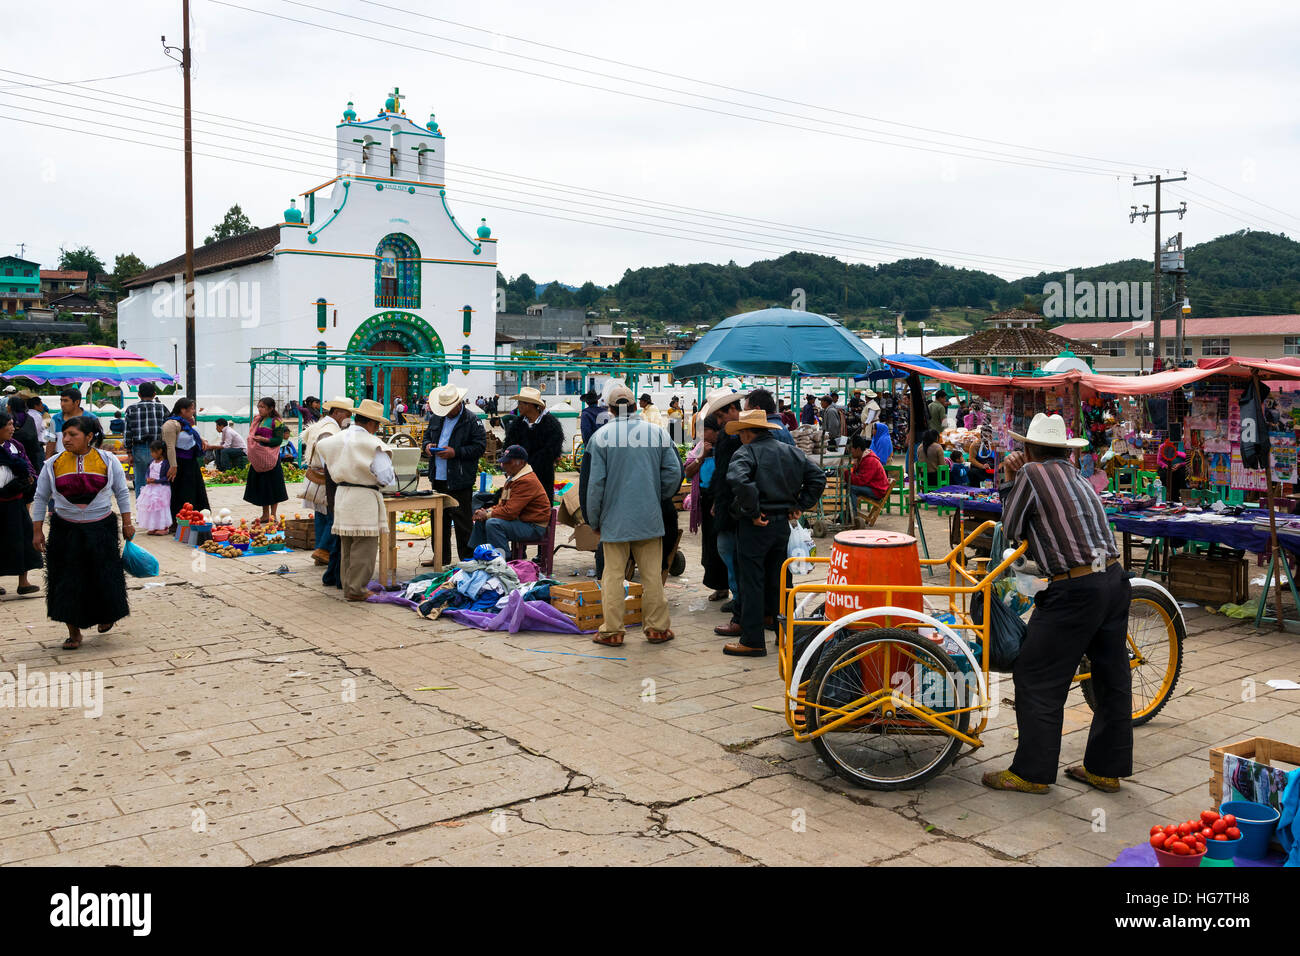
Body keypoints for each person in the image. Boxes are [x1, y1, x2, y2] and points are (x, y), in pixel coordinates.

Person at [982, 413, 1129, 795]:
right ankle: (1104, 770)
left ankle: (1031, 773)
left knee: (1035, 674)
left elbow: (1010, 527)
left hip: (1077, 589)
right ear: (1064, 450)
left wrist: (1010, 480)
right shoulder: (1076, 475)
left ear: (1029, 448)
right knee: (1111, 676)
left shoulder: (1032, 474)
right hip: (1112, 580)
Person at [585, 384, 683, 647]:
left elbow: (595, 486)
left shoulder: (601, 437)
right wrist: (656, 494)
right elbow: (675, 473)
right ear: (636, 406)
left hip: (614, 521)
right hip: (649, 517)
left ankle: (612, 631)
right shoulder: (658, 434)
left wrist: (594, 520)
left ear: (610, 409)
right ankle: (657, 629)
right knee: (652, 575)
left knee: (613, 576)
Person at [722, 409, 825, 656]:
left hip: (756, 525)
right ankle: (785, 637)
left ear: (746, 432)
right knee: (781, 582)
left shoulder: (746, 452)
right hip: (781, 526)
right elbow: (818, 478)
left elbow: (738, 480)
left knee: (752, 583)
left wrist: (753, 510)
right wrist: (799, 505)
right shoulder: (790, 451)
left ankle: (752, 640)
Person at [32, 415, 134, 650]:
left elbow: (121, 492)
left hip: (101, 527)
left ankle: (107, 614)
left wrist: (127, 523)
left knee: (105, 575)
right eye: (64, 435)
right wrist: (37, 531)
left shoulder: (107, 461)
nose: (66, 439)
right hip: (64, 529)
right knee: (65, 580)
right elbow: (40, 498)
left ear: (89, 437)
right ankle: (73, 632)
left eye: (73, 435)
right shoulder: (53, 464)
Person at [313, 399, 395, 601]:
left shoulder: (335, 439)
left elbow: (321, 454)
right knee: (364, 545)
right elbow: (386, 477)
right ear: (372, 424)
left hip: (342, 494)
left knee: (347, 544)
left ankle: (348, 584)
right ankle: (357, 588)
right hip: (364, 496)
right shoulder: (373, 444)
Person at [422, 384, 486, 565]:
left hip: (460, 479)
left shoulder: (471, 420)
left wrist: (455, 452)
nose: (447, 411)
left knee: (462, 521)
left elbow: (479, 447)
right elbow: (427, 437)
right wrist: (427, 446)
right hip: (439, 477)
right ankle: (440, 557)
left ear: (458, 404)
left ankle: (467, 558)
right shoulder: (437, 418)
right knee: (438, 520)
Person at [705, 388, 746, 635]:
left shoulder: (737, 437)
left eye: (721, 418)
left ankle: (741, 606)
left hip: (735, 510)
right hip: (732, 506)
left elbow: (734, 477)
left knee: (731, 553)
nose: (720, 424)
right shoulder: (734, 436)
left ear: (733, 409)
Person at [468, 444, 551, 554]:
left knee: (493, 524)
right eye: (503, 462)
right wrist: (487, 511)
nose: (504, 465)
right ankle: (479, 555)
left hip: (533, 526)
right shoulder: (514, 478)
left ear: (520, 462)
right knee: (481, 521)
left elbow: (510, 512)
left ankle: (502, 560)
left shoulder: (526, 481)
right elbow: (503, 505)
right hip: (521, 521)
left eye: (508, 462)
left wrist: (487, 515)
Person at [301, 397, 354, 568]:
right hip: (325, 477)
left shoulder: (321, 424)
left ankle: (321, 553)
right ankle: (323, 550)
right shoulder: (330, 430)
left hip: (316, 475)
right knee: (332, 514)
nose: (349, 417)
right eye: (347, 414)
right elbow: (327, 454)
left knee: (322, 515)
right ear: (337, 412)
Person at [684, 415, 728, 601]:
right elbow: (687, 472)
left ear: (715, 431)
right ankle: (719, 587)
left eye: (704, 431)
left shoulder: (726, 448)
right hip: (705, 499)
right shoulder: (700, 448)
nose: (701, 435)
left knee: (723, 545)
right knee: (710, 546)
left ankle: (729, 585)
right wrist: (700, 458)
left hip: (722, 499)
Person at [0, 411, 41, 597]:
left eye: (12, 424)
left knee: (22, 540)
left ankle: (23, 582)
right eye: (8, 424)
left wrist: (30, 479)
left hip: (16, 501)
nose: (12, 428)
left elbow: (28, 466)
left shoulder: (15, 446)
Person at [503, 387, 564, 505]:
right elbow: (508, 446)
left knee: (540, 505)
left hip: (542, 475)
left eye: (521, 403)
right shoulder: (518, 424)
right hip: (518, 476)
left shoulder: (551, 425)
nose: (519, 406)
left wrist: (527, 467)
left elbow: (550, 452)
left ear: (531, 405)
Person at [162, 397, 210, 523]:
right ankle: (179, 521)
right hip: (178, 464)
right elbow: (170, 446)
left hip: (191, 464)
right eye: (191, 409)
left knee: (194, 491)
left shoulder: (187, 424)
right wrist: (173, 466)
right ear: (182, 410)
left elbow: (193, 436)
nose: (193, 411)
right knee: (180, 493)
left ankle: (196, 518)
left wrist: (202, 439)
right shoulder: (171, 424)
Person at [244, 397, 289, 522]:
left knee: (273, 487)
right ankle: (265, 515)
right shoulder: (257, 420)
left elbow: (279, 440)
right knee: (263, 487)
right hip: (258, 459)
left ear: (270, 408)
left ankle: (273, 515)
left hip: (271, 458)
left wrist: (265, 440)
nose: (260, 409)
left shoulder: (277, 422)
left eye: (263, 407)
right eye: (259, 406)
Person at [124, 382, 166, 495]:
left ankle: (142, 510)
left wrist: (129, 453)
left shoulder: (131, 409)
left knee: (140, 482)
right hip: (158, 449)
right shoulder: (162, 408)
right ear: (154, 394)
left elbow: (127, 433)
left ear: (138, 394)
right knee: (158, 480)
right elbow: (168, 429)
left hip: (139, 449)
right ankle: (156, 509)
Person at [7, 395, 43, 500]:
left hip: (12, 455)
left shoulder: (8, 419)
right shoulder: (30, 418)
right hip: (31, 454)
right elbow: (34, 436)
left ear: (11, 406)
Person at [135, 440, 173, 535]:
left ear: (160, 451)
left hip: (161, 489)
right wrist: (147, 478)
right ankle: (154, 526)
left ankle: (164, 527)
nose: (151, 454)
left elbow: (166, 478)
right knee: (152, 508)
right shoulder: (152, 462)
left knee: (161, 508)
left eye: (153, 452)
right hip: (151, 489)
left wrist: (156, 481)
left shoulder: (165, 463)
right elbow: (148, 471)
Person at [847, 434, 889, 513]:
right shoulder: (860, 459)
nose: (850, 451)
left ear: (858, 449)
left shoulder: (869, 461)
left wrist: (846, 473)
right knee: (847, 486)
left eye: (851, 449)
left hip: (877, 490)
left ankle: (852, 516)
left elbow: (861, 481)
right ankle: (845, 515)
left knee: (851, 489)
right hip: (871, 486)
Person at [51, 387, 98, 456]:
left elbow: (97, 442)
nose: (62, 404)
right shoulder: (55, 419)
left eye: (66, 401)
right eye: (61, 400)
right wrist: (48, 462)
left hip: (87, 461)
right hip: (61, 461)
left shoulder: (91, 418)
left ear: (77, 402)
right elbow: (50, 441)